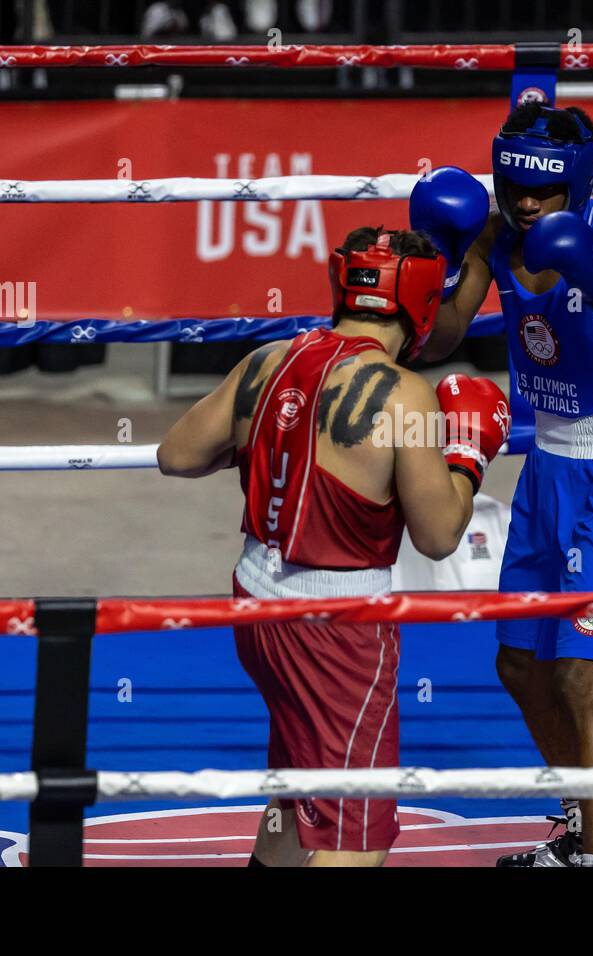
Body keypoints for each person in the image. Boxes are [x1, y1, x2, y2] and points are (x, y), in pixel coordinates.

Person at [157, 227, 511, 867]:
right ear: (424, 304)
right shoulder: (406, 396)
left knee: (295, 795)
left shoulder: (268, 361)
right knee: (357, 839)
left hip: (254, 603)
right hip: (338, 626)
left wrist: (267, 441)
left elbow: (176, 455)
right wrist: (468, 453)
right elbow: (437, 537)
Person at [410, 104, 593, 867]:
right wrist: (440, 260)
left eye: (543, 190)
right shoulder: (494, 234)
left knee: (582, 674)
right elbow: (438, 343)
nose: (527, 203)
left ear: (577, 181)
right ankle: (581, 822)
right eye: (514, 185)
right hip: (548, 467)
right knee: (520, 663)